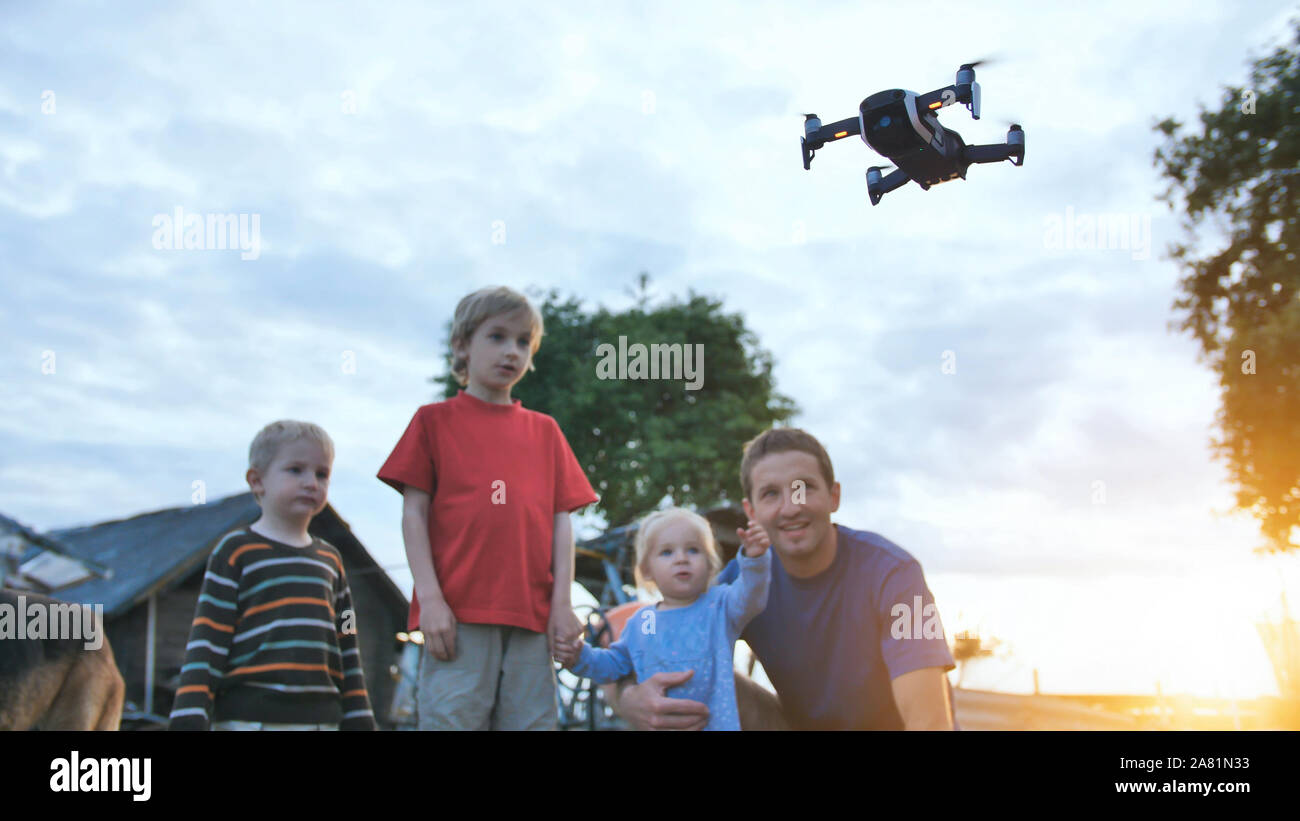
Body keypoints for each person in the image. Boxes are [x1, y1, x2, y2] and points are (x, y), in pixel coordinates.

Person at [609, 427, 956, 731]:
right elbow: (633, 644)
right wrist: (629, 701)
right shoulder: (741, 582)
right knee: (693, 683)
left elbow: (929, 722)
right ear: (751, 511)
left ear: (834, 496)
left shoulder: (895, 574)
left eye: (804, 488)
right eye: (771, 493)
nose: (791, 507)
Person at [377, 286, 598, 730]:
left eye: (522, 342)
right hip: (458, 618)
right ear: (462, 345)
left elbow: (561, 524)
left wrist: (561, 604)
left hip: (532, 619)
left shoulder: (545, 432)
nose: (511, 351)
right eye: (497, 336)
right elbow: (414, 515)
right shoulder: (432, 422)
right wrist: (431, 601)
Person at [169, 420, 376, 731]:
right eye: (296, 469)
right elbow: (207, 639)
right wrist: (188, 715)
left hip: (323, 721)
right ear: (257, 481)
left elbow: (347, 640)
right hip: (248, 719)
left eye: (322, 474)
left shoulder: (332, 562)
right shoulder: (236, 552)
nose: (312, 482)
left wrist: (360, 716)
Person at [560, 508, 770, 731]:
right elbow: (614, 664)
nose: (682, 559)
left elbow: (752, 596)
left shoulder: (719, 606)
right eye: (667, 552)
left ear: (710, 565)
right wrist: (579, 657)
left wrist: (755, 560)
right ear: (647, 570)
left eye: (693, 550)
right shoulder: (647, 621)